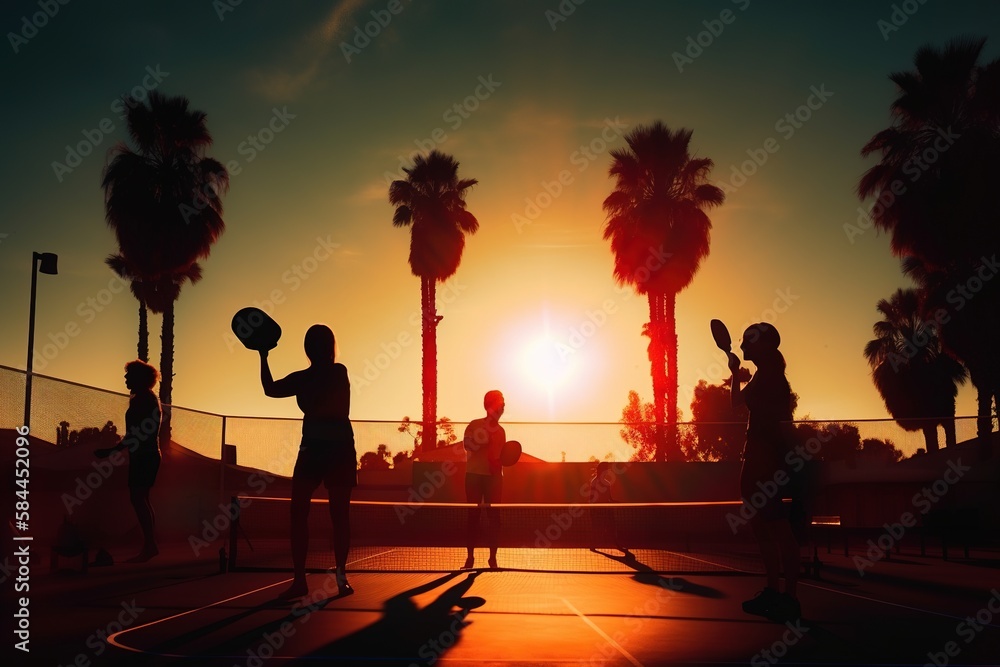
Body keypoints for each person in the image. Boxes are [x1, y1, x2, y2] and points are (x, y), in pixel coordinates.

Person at [259, 324, 356, 599]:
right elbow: (270, 389)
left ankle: (335, 577)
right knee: (306, 513)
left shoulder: (336, 372)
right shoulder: (308, 377)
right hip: (320, 447)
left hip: (332, 448)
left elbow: (272, 389)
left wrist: (264, 356)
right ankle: (305, 580)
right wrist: (262, 355)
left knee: (335, 515)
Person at [728, 322, 801, 622]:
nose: (743, 345)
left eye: (749, 340)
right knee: (761, 524)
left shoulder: (772, 376)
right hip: (757, 456)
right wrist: (735, 373)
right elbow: (736, 403)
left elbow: (770, 421)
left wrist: (770, 461)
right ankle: (773, 591)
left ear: (764, 345)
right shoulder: (762, 375)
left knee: (778, 526)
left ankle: (790, 598)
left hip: (767, 459)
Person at [96, 359, 161, 562]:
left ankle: (150, 545)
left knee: (138, 498)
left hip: (144, 456)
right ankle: (150, 545)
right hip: (146, 455)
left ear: (139, 378)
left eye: (129, 374)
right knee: (142, 499)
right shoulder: (145, 398)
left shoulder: (144, 400)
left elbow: (136, 434)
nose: (125, 377)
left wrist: (112, 450)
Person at [462, 390, 506, 570]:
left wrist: (500, 464)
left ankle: (492, 559)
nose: (503, 407)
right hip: (474, 476)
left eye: (504, 404)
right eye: (500, 403)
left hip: (494, 479)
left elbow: (500, 457)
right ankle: (470, 558)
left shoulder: (501, 431)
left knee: (495, 518)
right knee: (473, 517)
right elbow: (467, 445)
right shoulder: (474, 425)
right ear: (490, 406)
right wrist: (483, 441)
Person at [588, 462, 629, 556]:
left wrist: (615, 502)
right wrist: (593, 509)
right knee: (596, 528)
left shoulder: (607, 483)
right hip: (597, 509)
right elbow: (591, 497)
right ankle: (593, 545)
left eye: (606, 470)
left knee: (612, 527)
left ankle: (617, 545)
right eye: (605, 469)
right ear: (600, 470)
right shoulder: (594, 482)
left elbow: (609, 499)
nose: (606, 471)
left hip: (607, 509)